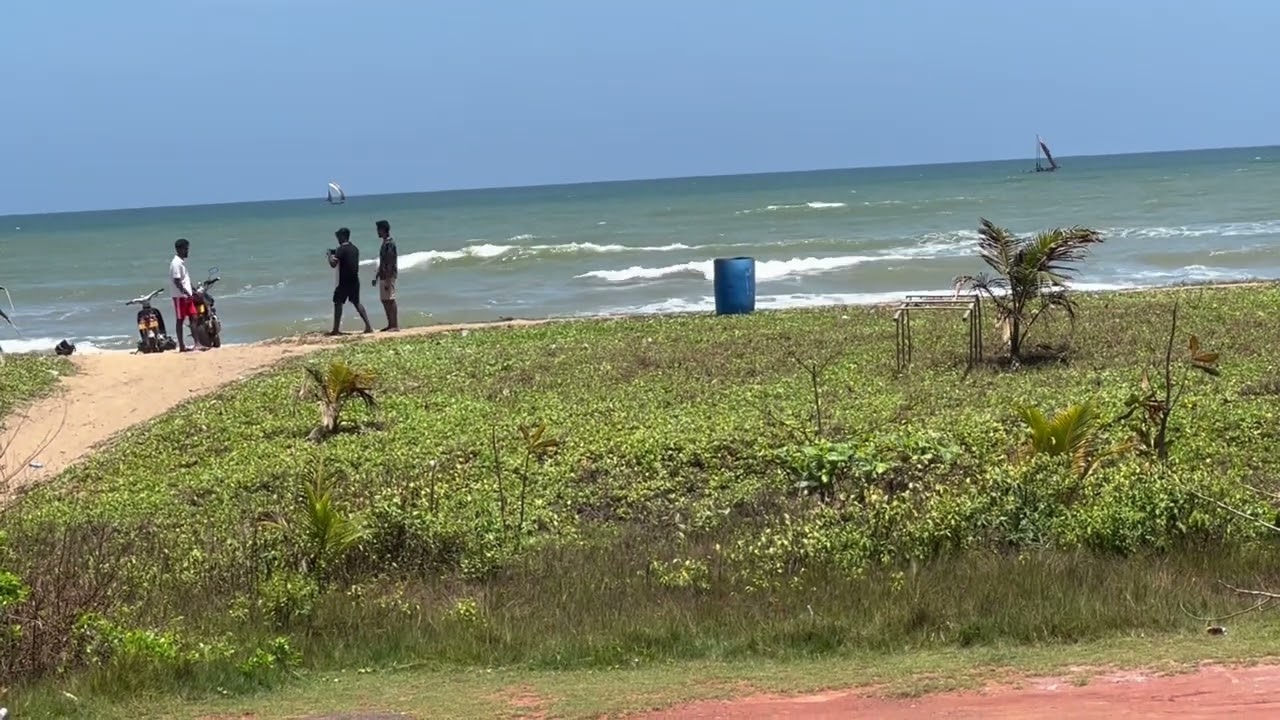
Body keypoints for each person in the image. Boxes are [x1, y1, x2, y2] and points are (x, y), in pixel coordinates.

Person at [327, 227, 373, 335]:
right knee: (357, 302)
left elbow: (333, 264)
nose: (337, 239)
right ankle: (369, 326)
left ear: (343, 236)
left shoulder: (341, 249)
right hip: (355, 280)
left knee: (338, 302)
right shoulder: (355, 248)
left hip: (344, 281)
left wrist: (329, 255)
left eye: (338, 236)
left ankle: (336, 329)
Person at [170, 238, 199, 352]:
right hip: (180, 297)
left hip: (187, 296)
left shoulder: (181, 263)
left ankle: (197, 343)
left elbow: (185, 279)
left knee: (194, 317)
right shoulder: (176, 263)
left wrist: (193, 290)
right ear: (179, 249)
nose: (187, 251)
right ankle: (182, 346)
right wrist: (186, 293)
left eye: (187, 249)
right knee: (180, 320)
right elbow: (177, 281)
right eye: (185, 249)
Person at [372, 219, 399, 332]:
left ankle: (394, 325)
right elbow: (383, 261)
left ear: (383, 230)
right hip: (384, 275)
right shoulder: (385, 243)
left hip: (388, 275)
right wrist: (377, 276)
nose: (377, 232)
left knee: (390, 299)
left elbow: (390, 262)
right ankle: (390, 324)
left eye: (378, 229)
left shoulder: (389, 244)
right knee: (385, 299)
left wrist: (388, 279)